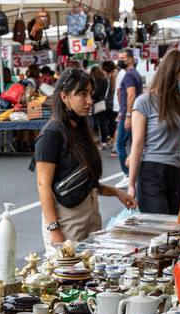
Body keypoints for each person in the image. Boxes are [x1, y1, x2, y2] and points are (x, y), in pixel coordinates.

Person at [34, 67, 135, 252]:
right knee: (69, 275)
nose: (89, 101)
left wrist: (117, 192)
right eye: (82, 94)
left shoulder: (80, 129)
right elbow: (43, 185)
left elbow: (86, 181)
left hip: (90, 217)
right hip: (67, 223)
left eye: (90, 94)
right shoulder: (51, 134)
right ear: (65, 97)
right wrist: (53, 229)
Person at [127, 49, 180, 216]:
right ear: (172, 73)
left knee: (170, 227)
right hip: (152, 173)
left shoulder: (178, 102)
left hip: (175, 173)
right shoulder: (143, 102)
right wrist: (131, 184)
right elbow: (138, 144)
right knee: (159, 228)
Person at [114, 51, 144, 176]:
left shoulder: (129, 76)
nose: (120, 60)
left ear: (131, 59)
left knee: (119, 144)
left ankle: (127, 173)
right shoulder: (134, 74)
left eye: (123, 58)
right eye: (119, 58)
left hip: (129, 115)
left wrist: (127, 116)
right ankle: (134, 172)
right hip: (131, 113)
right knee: (133, 144)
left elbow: (131, 95)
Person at [101, 60, 118, 148]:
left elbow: (110, 90)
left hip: (109, 101)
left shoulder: (111, 75)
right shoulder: (116, 74)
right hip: (113, 101)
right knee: (112, 121)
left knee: (107, 121)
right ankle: (111, 138)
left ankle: (110, 138)